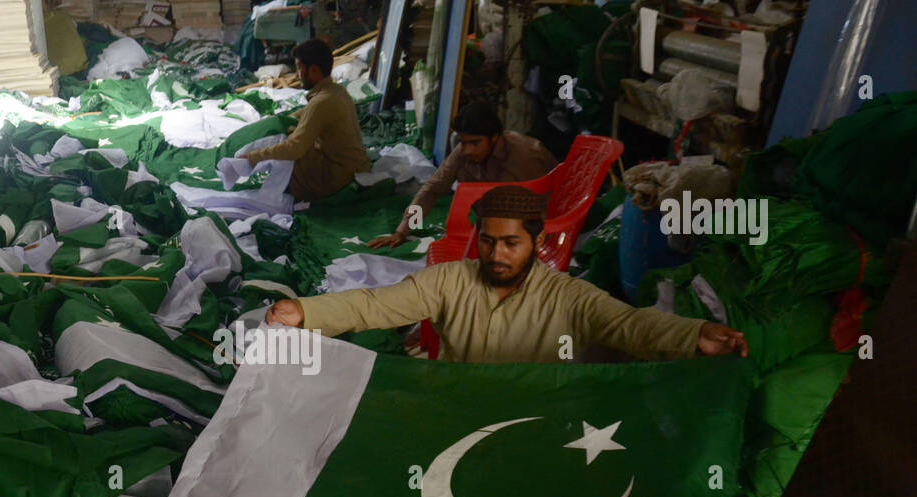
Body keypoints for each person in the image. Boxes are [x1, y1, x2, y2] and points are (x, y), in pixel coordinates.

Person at [267, 185, 748, 364]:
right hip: (456, 412)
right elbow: (374, 305)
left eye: (511, 243)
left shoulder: (569, 297)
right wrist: (304, 311)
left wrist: (693, 335)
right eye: (488, 240)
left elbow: (630, 326)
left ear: (537, 244)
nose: (496, 254)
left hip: (532, 422)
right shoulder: (451, 280)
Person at [369, 103, 558, 249]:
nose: (467, 150)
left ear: (495, 138)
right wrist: (403, 231)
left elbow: (544, 207)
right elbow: (431, 191)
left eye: (475, 143)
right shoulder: (463, 151)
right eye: (463, 142)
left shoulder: (525, 155)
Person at [240, 38, 371, 203]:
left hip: (338, 177)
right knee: (290, 132)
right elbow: (304, 114)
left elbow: (294, 148)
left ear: (314, 70)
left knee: (286, 145)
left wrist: (251, 157)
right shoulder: (337, 91)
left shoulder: (322, 101)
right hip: (355, 168)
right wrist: (278, 122)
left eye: (299, 69)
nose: (296, 75)